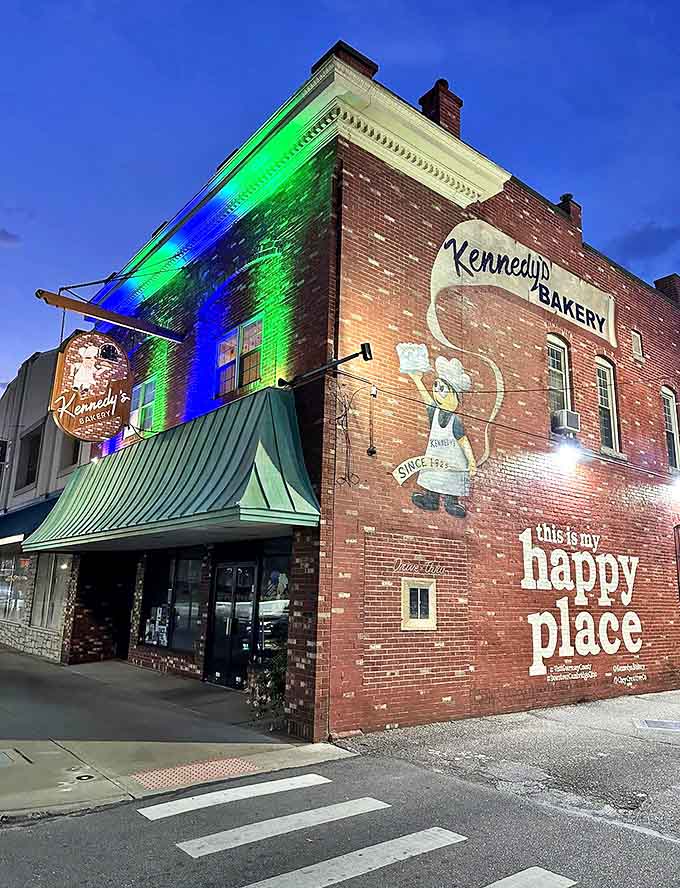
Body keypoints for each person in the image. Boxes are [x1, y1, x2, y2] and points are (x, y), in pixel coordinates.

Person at [408, 355, 477, 517]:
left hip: (453, 460)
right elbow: (426, 398)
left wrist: (471, 461)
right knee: (432, 476)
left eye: (442, 389)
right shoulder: (434, 412)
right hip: (435, 457)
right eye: (437, 386)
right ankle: (431, 499)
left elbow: (463, 441)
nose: (437, 391)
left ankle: (452, 503)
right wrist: (417, 379)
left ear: (454, 395)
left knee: (451, 481)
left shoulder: (455, 421)